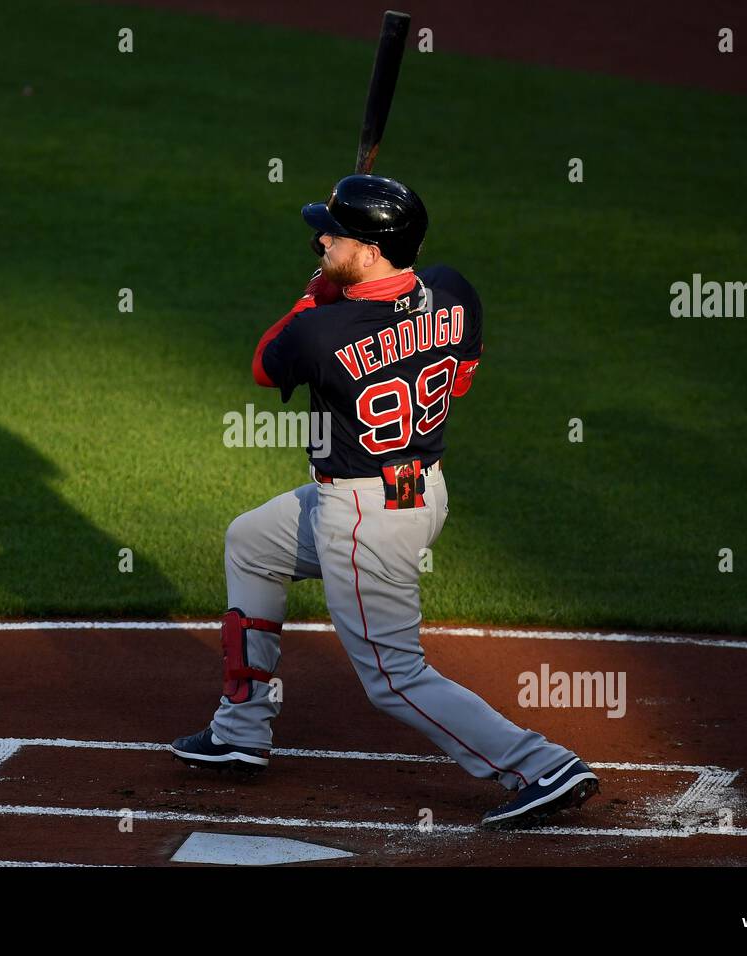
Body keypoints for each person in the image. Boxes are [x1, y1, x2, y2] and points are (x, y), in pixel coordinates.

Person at [169, 174, 599, 828]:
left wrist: (313, 299)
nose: (320, 238)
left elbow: (264, 363)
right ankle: (240, 731)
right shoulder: (454, 291)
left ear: (370, 249)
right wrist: (360, 309)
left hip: (365, 514)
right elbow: (459, 384)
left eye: (333, 233)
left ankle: (540, 765)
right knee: (254, 541)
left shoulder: (321, 332)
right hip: (418, 489)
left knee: (394, 677)